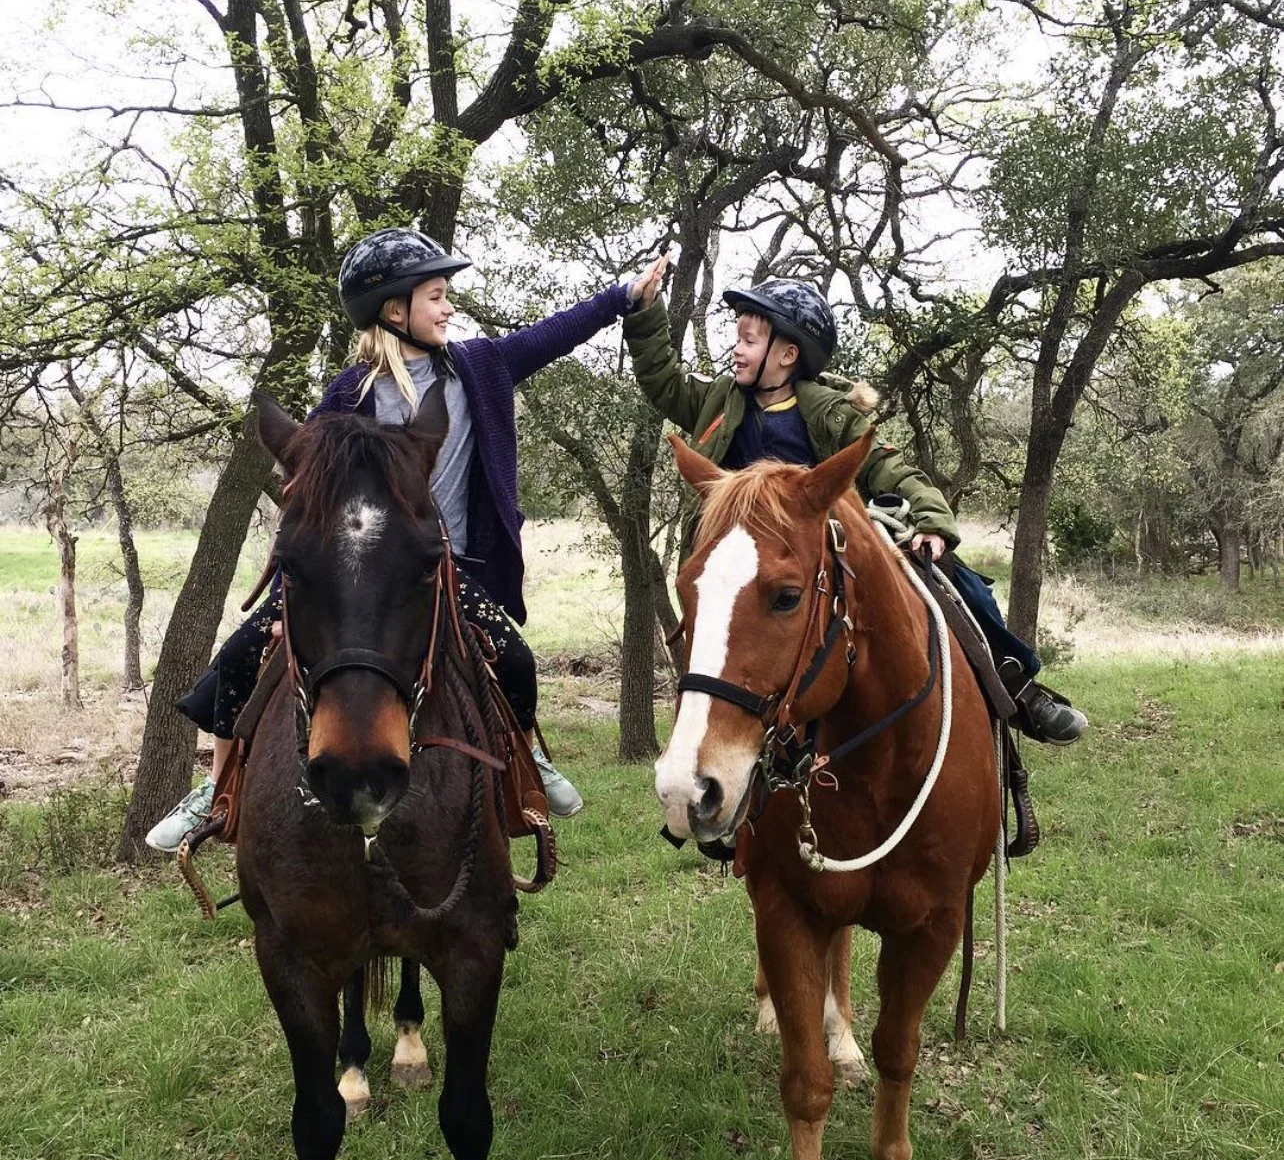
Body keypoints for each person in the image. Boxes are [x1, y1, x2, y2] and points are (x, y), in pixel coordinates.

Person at [147, 228, 642, 851]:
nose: (449, 307)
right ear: (394, 310)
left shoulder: (480, 368)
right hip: (358, 577)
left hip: (445, 569)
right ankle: (216, 789)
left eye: (447, 296)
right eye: (437, 296)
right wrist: (288, 590)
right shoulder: (347, 397)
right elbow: (308, 498)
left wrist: (621, 296)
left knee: (514, 659)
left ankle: (522, 764)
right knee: (243, 654)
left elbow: (550, 336)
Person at [623, 254, 1088, 754]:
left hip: (825, 549)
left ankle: (1015, 686)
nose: (735, 350)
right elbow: (663, 382)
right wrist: (646, 311)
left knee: (957, 584)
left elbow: (887, 466)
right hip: (749, 563)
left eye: (748, 341)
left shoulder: (826, 411)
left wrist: (931, 520)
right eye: (736, 339)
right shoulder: (718, 400)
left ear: (787, 354)